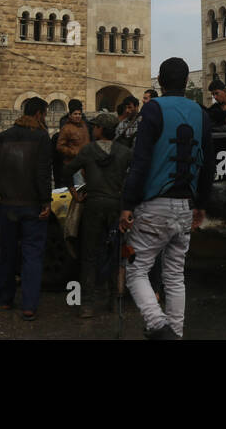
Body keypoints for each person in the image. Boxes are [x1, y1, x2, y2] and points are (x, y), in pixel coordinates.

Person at [120, 56, 215, 339]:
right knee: (174, 276)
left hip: (154, 206)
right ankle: (176, 332)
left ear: (159, 81)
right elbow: (208, 164)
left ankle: (159, 326)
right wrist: (202, 205)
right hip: (185, 207)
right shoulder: (201, 113)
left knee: (135, 271)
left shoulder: (152, 110)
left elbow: (141, 161)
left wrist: (127, 204)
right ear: (187, 82)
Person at [0, 97, 52, 320]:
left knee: (7, 252)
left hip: (6, 205)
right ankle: (28, 306)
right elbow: (42, 173)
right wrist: (46, 201)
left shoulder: (4, 136)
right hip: (32, 206)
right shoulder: (42, 137)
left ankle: (5, 300)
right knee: (32, 255)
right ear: (39, 114)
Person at [61, 112, 131, 317]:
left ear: (100, 129)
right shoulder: (125, 152)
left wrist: (76, 194)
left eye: (95, 127)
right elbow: (135, 177)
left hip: (92, 205)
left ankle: (87, 305)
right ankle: (114, 300)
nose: (92, 129)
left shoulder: (88, 151)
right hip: (116, 206)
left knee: (89, 255)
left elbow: (66, 171)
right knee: (115, 253)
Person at [57, 100, 91, 166]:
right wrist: (74, 152)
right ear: (70, 115)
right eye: (75, 114)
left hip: (85, 162)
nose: (77, 116)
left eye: (79, 114)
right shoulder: (66, 127)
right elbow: (60, 146)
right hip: (72, 162)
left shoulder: (85, 125)